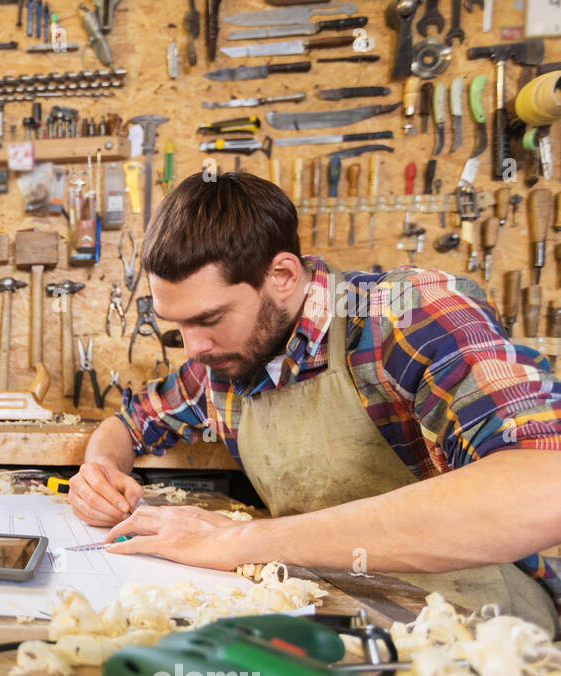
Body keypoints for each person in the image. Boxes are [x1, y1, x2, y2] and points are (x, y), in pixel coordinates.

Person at [70, 171, 561, 633]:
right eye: (177, 325)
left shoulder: (406, 312)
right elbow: (129, 423)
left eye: (209, 317)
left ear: (282, 275)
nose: (193, 346)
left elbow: (542, 483)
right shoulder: (224, 363)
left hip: (474, 630)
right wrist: (101, 472)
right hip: (330, 609)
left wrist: (237, 541)